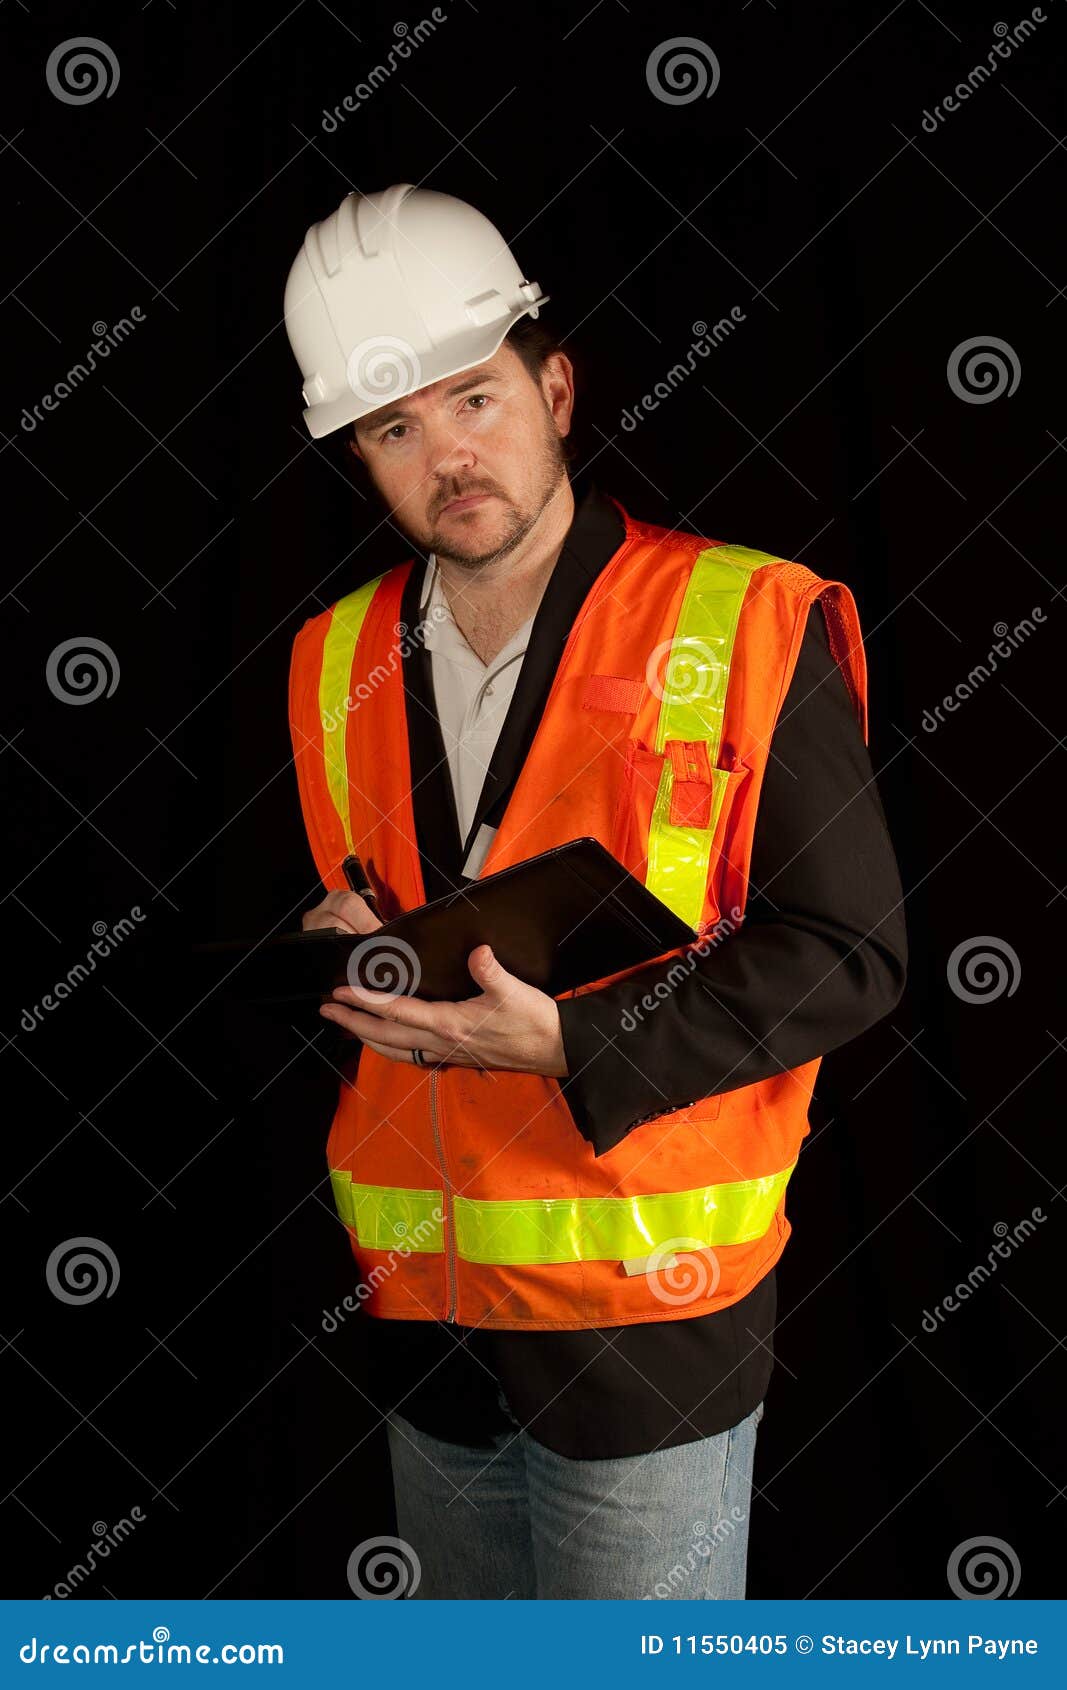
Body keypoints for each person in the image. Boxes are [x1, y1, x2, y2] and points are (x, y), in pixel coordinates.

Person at [283, 185, 907, 1600]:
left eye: (474, 401)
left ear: (554, 388)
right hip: (419, 1322)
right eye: (395, 428)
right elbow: (377, 911)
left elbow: (849, 954)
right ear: (358, 453)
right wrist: (345, 947)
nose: (447, 457)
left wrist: (578, 1044)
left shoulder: (744, 618)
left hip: (648, 1335)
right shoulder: (329, 659)